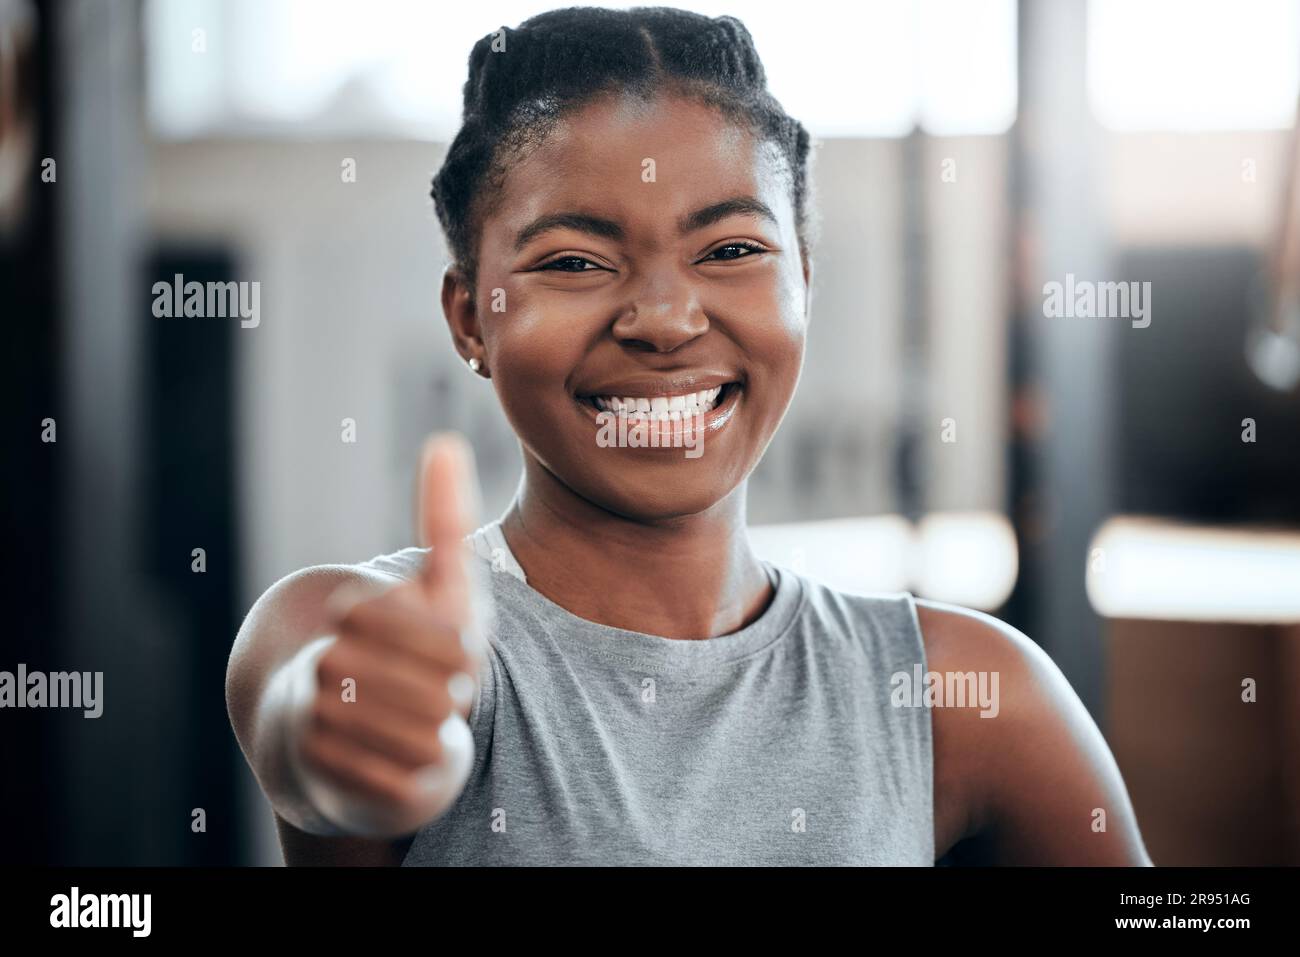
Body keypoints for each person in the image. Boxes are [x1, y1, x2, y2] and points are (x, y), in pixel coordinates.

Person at [225, 6, 1152, 866]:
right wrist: (354, 729)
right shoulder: (338, 628)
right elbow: (314, 725)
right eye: (575, 260)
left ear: (804, 284)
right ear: (471, 317)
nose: (665, 318)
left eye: (732, 250)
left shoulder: (963, 690)